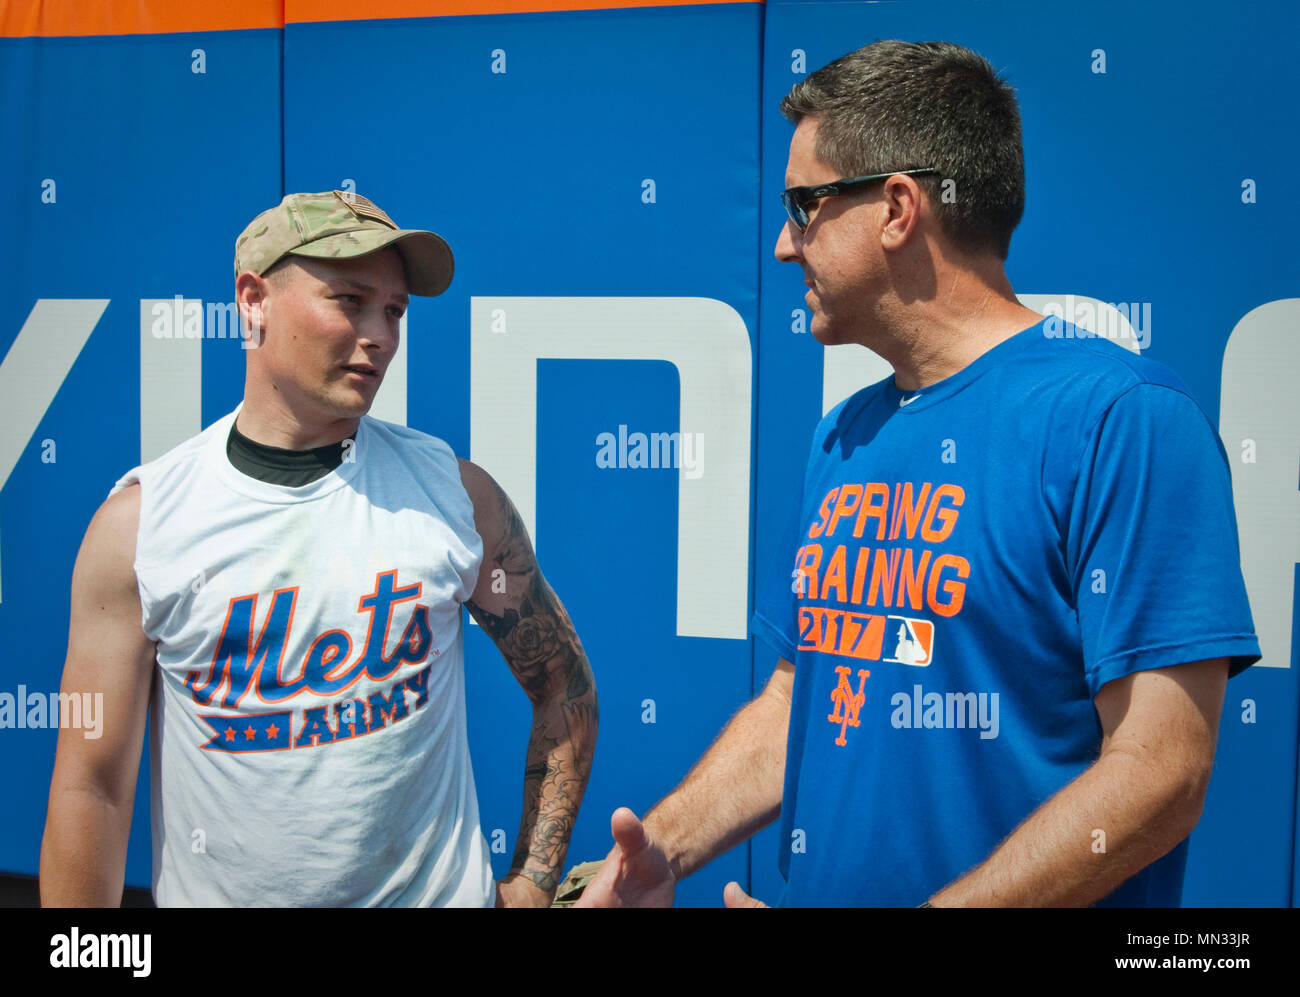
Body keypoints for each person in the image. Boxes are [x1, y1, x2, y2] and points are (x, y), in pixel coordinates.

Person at [578, 40, 1259, 908]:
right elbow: (801, 694)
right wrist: (661, 850)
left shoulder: (1124, 420)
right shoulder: (846, 433)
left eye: (804, 204)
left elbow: (1162, 770)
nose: (785, 245)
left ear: (898, 207)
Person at [40, 190, 597, 907]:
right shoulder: (139, 527)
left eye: (394, 310)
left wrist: (530, 886)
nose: (380, 335)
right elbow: (91, 785)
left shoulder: (457, 496)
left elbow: (565, 689)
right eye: (350, 299)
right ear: (253, 299)